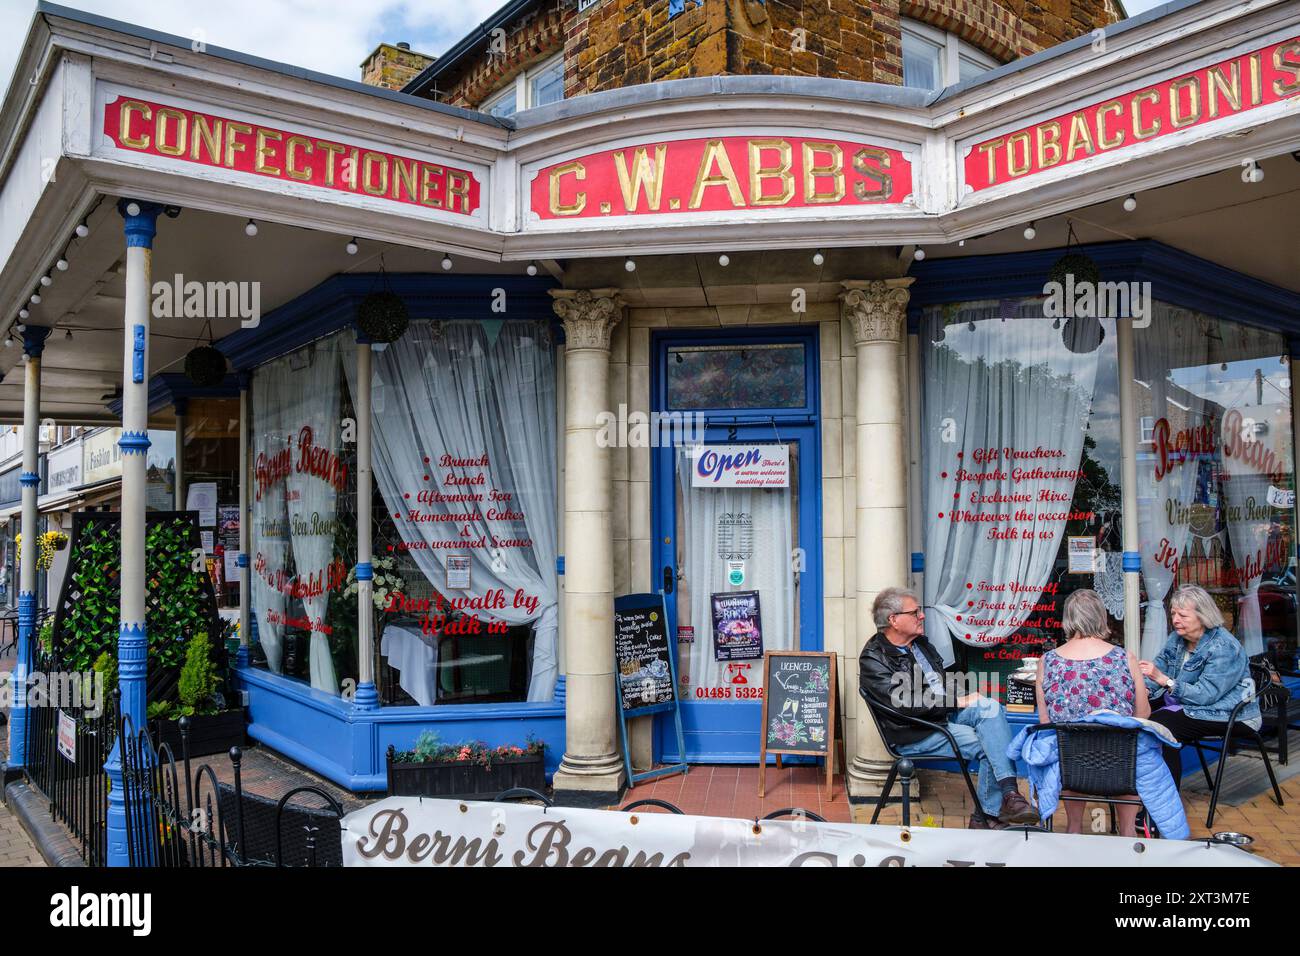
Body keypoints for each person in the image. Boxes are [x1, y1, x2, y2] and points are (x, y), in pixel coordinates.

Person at [859, 586, 1039, 829]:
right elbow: (903, 702)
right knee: (991, 745)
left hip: (942, 714)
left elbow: (939, 683)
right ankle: (987, 816)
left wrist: (963, 695)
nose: (922, 616)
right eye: (915, 612)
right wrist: (955, 701)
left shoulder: (920, 644)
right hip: (917, 730)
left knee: (990, 708)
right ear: (894, 620)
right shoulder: (874, 658)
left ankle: (1009, 797)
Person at [1036, 588, 1150, 835]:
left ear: (1068, 618)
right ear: (1101, 617)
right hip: (1120, 765)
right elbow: (1143, 714)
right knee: (1134, 748)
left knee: (1063, 748)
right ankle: (1128, 831)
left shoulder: (1048, 661)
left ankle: (1074, 828)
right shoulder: (1124, 658)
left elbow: (1045, 723)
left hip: (1072, 767)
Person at [1139, 584, 1260, 787]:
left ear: (1203, 616)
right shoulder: (1177, 639)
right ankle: (1142, 793)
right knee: (1139, 715)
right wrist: (1147, 688)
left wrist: (1164, 680)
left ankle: (1166, 806)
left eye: (1183, 615)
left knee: (1162, 726)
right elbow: (1159, 667)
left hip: (1230, 713)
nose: (1175, 620)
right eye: (1173, 613)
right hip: (1191, 705)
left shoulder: (1223, 646)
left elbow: (1206, 695)